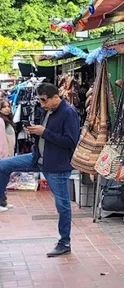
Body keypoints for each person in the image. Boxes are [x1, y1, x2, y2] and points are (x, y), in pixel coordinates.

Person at [0, 83, 80, 257]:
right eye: (40, 100)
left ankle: (64, 241)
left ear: (55, 97)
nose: (42, 104)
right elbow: (46, 134)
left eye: (44, 100)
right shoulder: (47, 111)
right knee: (3, 165)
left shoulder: (68, 113)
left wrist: (44, 132)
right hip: (38, 158)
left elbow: (71, 141)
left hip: (57, 166)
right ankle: (1, 201)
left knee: (62, 205)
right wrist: (34, 132)